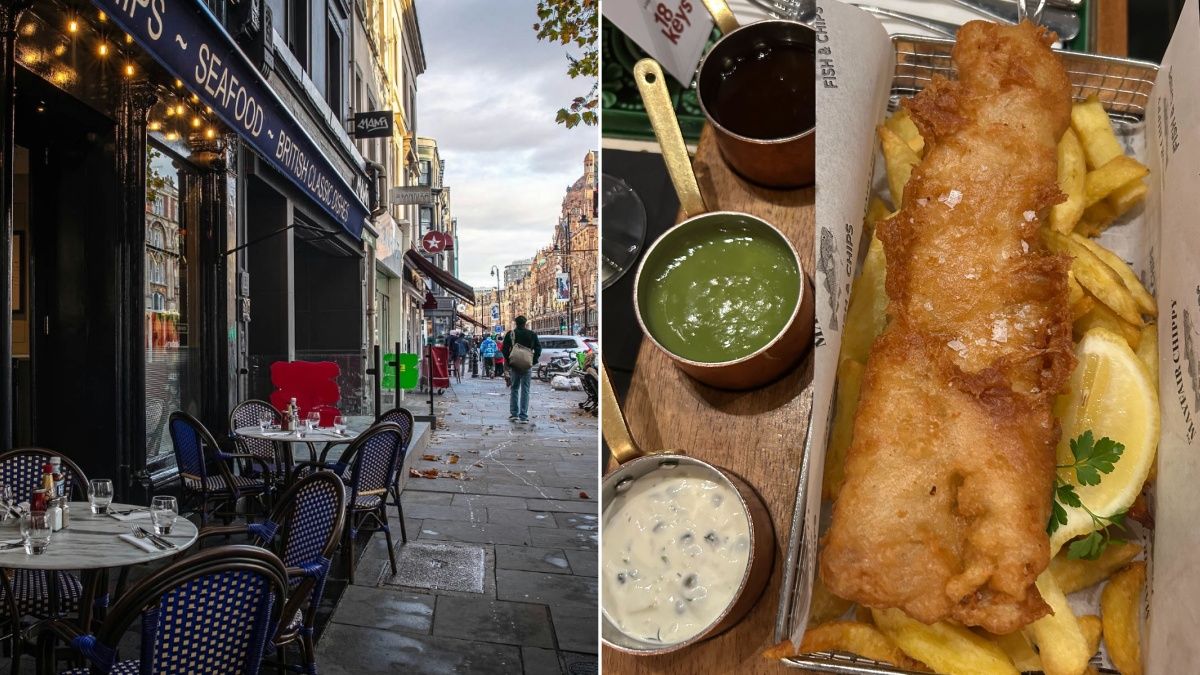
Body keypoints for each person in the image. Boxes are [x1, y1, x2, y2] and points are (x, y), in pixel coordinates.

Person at [502, 316, 541, 423]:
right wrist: (533, 360)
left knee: (514, 388)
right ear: (525, 323)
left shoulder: (511, 334)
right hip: (527, 364)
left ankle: (514, 414)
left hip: (515, 364)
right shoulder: (532, 334)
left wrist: (509, 360)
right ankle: (523, 416)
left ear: (516, 323)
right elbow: (538, 348)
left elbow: (504, 349)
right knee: (525, 389)